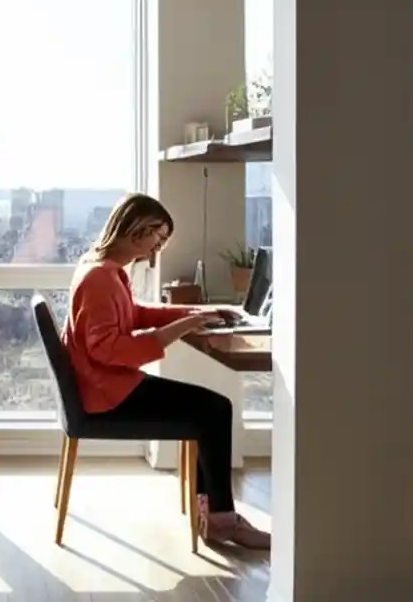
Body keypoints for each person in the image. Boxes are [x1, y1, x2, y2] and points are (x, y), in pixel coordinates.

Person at [63, 192, 270, 549]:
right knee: (215, 409)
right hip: (108, 395)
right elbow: (108, 349)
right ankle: (221, 520)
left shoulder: (105, 271)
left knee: (210, 409)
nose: (156, 249)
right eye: (156, 238)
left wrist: (197, 313)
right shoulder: (100, 280)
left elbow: (136, 314)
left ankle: (214, 515)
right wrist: (181, 328)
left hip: (107, 386)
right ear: (135, 230)